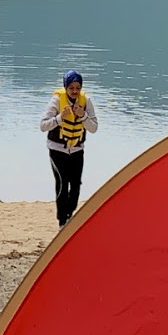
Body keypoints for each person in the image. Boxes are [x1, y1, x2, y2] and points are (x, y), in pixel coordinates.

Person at [41, 70, 98, 227]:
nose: (74, 91)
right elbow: (43, 125)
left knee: (75, 186)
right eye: (71, 88)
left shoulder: (85, 101)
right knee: (62, 183)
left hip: (77, 150)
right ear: (65, 87)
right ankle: (62, 220)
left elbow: (93, 128)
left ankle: (69, 214)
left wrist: (83, 115)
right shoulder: (56, 101)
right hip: (57, 150)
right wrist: (60, 118)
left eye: (77, 87)